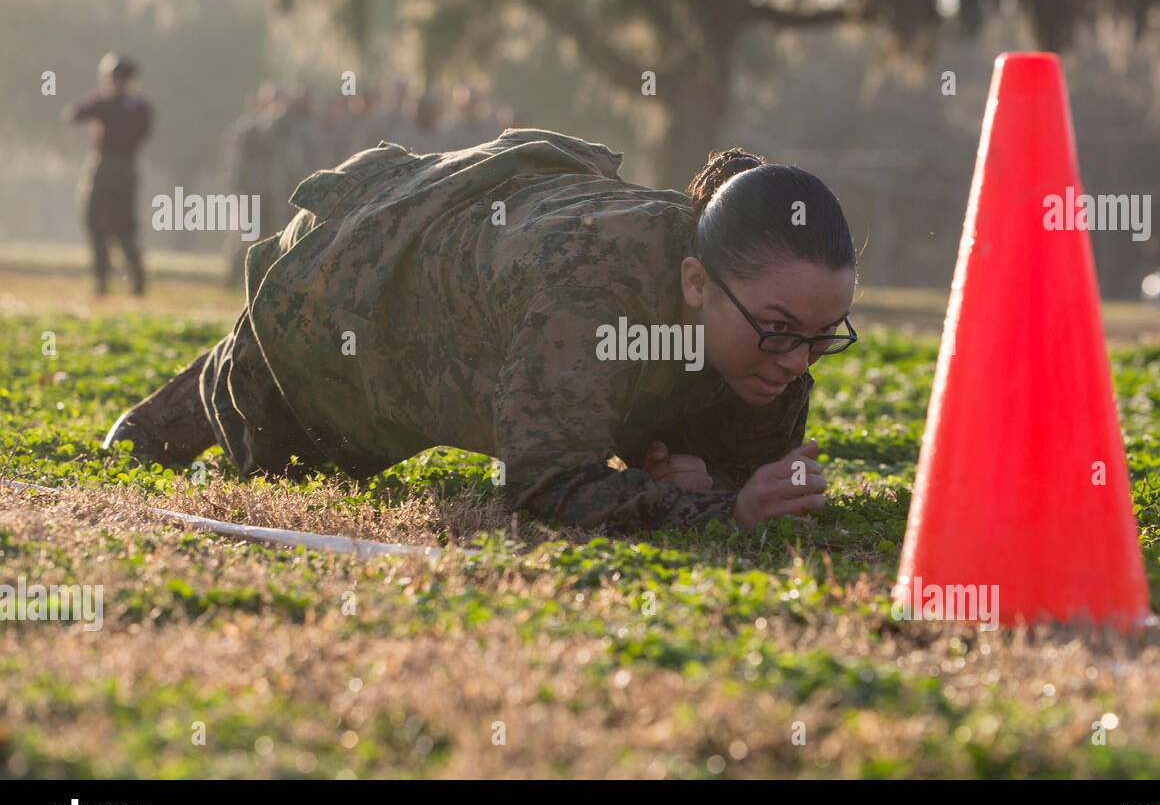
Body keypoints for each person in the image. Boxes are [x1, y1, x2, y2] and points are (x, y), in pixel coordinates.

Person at [101, 128, 859, 533]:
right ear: (696, 284)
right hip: (343, 319)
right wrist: (720, 510)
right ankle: (188, 397)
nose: (796, 363)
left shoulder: (754, 322)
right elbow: (541, 485)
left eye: (823, 336)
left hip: (466, 285)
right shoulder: (591, 296)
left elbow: (748, 465)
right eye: (779, 330)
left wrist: (718, 484)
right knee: (293, 455)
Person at [62, 53, 153, 295]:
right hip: (128, 171)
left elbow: (72, 114)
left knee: (95, 223)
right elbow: (145, 134)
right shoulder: (142, 107)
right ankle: (137, 276)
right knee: (125, 226)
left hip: (103, 170)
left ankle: (102, 280)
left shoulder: (103, 103)